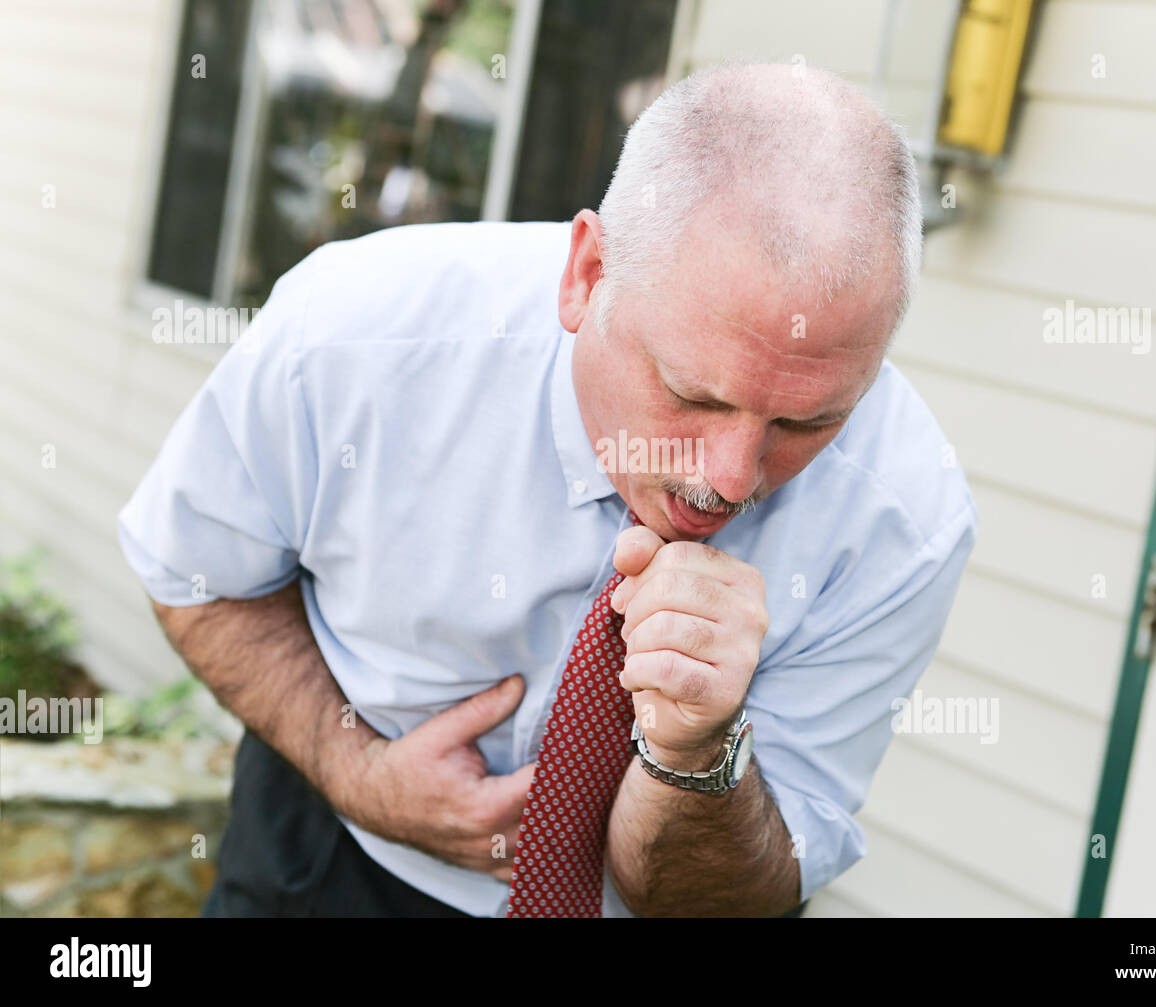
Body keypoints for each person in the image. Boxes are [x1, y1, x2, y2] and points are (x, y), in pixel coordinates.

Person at [118, 62, 977, 918]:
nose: (728, 476)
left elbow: (731, 895)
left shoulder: (907, 517)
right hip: (328, 857)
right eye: (694, 395)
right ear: (586, 272)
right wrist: (358, 773)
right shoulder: (355, 337)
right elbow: (198, 574)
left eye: (806, 424)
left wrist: (698, 752)